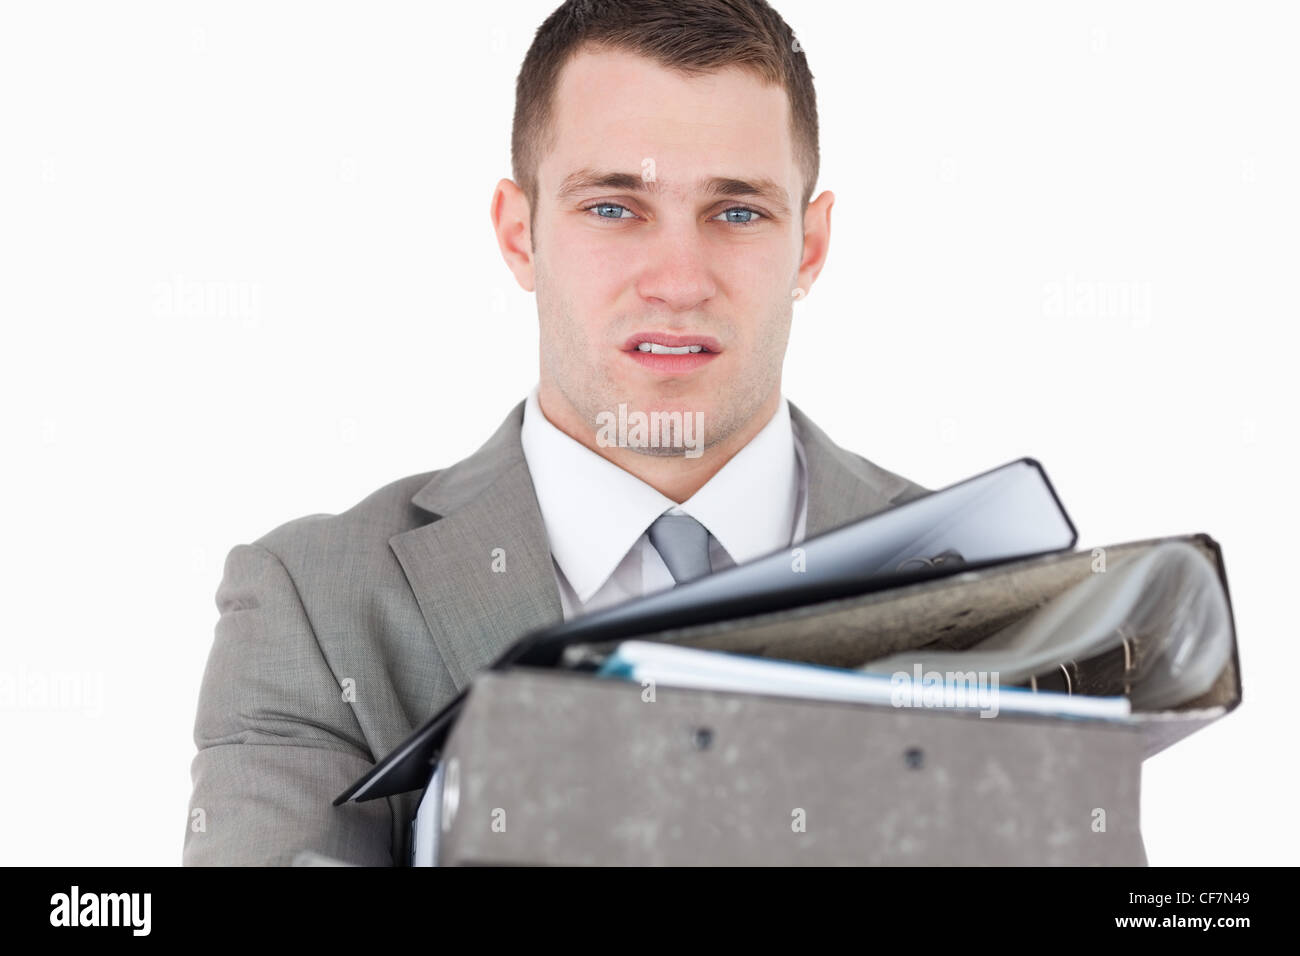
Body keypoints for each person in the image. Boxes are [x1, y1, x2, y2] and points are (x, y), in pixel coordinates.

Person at [183, 0, 929, 866]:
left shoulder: (1003, 594)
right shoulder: (313, 606)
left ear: (809, 245)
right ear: (519, 234)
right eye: (614, 208)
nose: (679, 282)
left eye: (737, 212)